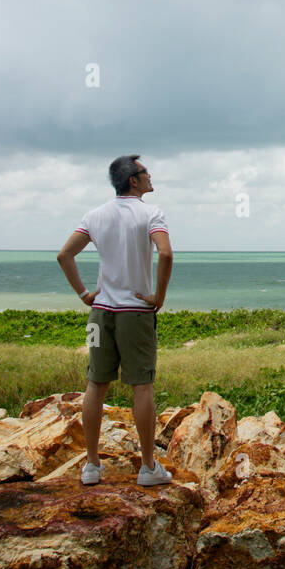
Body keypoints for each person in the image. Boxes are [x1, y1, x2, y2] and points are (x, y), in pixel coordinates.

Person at [56, 154, 174, 487]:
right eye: (144, 171)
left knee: (96, 384)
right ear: (133, 180)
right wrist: (159, 296)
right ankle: (149, 467)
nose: (151, 175)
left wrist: (83, 293)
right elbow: (165, 253)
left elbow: (65, 255)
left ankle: (92, 466)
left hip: (100, 313)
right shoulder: (151, 213)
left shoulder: (95, 215)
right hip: (135, 313)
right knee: (142, 385)